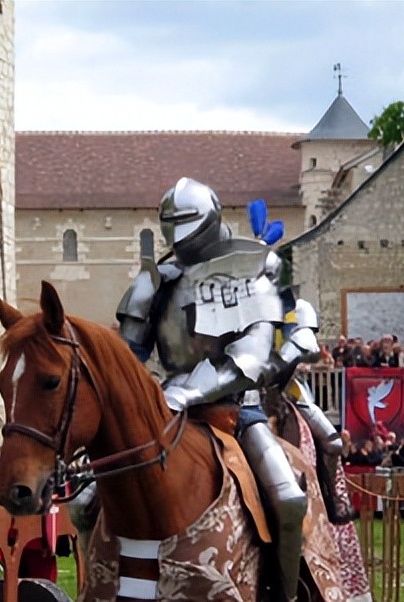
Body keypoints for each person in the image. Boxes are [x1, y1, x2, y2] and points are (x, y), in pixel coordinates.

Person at [102, 177, 346, 600]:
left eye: (186, 224)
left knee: (288, 498)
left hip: (236, 408)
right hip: (163, 408)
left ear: (210, 221)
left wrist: (186, 393)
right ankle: (104, 583)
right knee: (86, 502)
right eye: (170, 225)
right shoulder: (154, 284)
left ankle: (283, 593)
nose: (178, 237)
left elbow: (249, 357)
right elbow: (125, 359)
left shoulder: (249, 272)